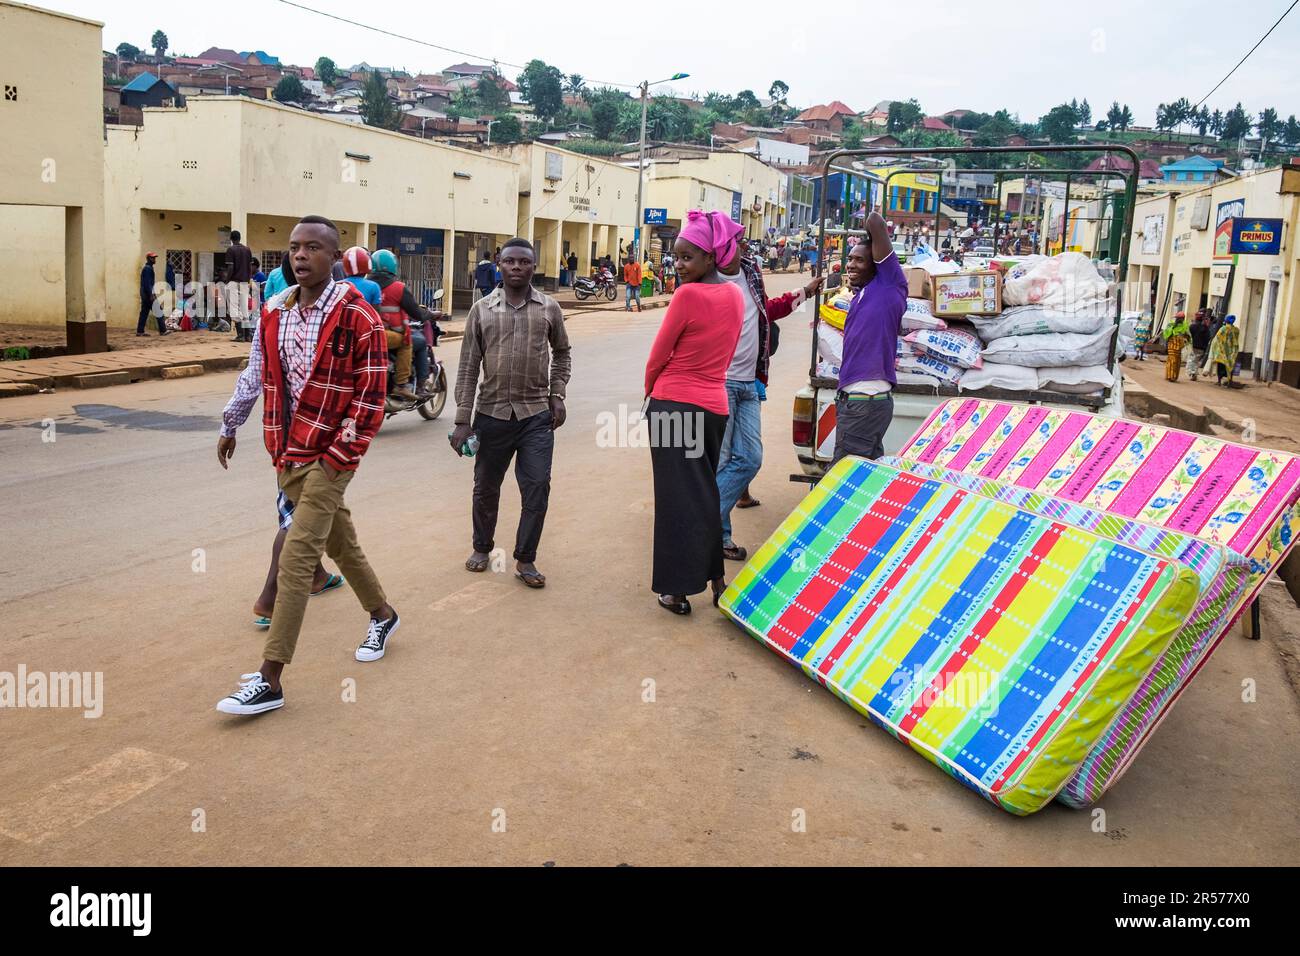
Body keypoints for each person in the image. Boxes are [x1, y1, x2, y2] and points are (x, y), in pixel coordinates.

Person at [214, 215, 399, 716]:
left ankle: (270, 678)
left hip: (333, 454)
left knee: (297, 556)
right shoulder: (274, 310)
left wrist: (342, 452)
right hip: (287, 449)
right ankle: (382, 614)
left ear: (333, 258)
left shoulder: (358, 315)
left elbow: (373, 395)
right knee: (340, 541)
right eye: (294, 248)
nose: (300, 256)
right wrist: (231, 423)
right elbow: (256, 372)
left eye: (312, 248)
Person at [450, 238, 570, 590]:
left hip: (536, 416)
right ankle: (482, 547)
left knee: (536, 488)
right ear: (499, 265)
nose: (517, 267)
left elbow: (562, 353)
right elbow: (469, 366)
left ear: (534, 266)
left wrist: (557, 393)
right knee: (486, 488)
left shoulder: (549, 308)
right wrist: (461, 419)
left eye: (524, 262)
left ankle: (525, 558)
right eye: (510, 262)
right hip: (492, 414)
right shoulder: (482, 309)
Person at [645, 210, 744, 616]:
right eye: (677, 256)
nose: (680, 265)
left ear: (710, 258)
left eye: (688, 257)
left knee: (674, 501)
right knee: (703, 493)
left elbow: (659, 354)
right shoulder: (735, 295)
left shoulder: (688, 296)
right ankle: (718, 579)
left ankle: (677, 590)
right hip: (714, 408)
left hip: (674, 405)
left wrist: (650, 391)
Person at [715, 235, 824, 561]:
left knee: (749, 458)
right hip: (719, 383)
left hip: (750, 383)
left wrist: (803, 292)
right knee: (719, 463)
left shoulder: (751, 272)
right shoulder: (708, 278)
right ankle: (717, 537)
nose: (744, 246)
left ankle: (701, 521)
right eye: (736, 241)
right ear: (720, 247)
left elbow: (767, 312)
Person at [834, 211, 906, 463]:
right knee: (864, 477)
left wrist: (869, 233)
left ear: (877, 264)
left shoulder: (890, 285)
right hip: (857, 402)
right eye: (850, 259)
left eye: (860, 260)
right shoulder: (862, 294)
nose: (851, 265)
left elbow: (875, 220)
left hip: (865, 403)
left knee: (840, 478)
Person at [365, 249, 421, 404]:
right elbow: (416, 312)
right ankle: (401, 384)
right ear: (392, 266)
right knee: (406, 343)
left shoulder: (366, 284)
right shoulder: (398, 287)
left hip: (363, 333)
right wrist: (429, 315)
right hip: (382, 334)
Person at [223, 229, 256, 342]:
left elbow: (230, 267)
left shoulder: (231, 250)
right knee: (244, 309)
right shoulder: (247, 250)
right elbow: (250, 268)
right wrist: (248, 279)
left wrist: (227, 280)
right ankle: (247, 336)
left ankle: (240, 335)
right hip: (244, 282)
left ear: (231, 239)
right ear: (240, 238)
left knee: (234, 308)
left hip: (234, 281)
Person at [1203, 313, 1241, 387]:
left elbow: (1216, 339)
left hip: (1222, 351)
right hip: (1232, 351)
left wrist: (1213, 349)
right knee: (1230, 366)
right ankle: (1229, 381)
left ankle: (1219, 381)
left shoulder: (1223, 329)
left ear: (1226, 320)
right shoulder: (1236, 330)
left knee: (1221, 366)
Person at [136, 253, 168, 336]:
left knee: (144, 312)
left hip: (145, 293)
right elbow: (147, 284)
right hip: (148, 294)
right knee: (158, 311)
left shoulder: (148, 268)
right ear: (149, 259)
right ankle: (163, 330)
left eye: (154, 258)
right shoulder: (147, 269)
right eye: (153, 258)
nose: (154, 259)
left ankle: (140, 331)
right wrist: (151, 294)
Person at [1165, 311, 1190, 383]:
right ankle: (1171, 376)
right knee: (1172, 360)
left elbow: (1188, 335)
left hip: (1178, 346)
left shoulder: (1184, 325)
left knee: (1176, 361)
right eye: (1180, 319)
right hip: (1173, 345)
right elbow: (1167, 335)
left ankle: (1172, 376)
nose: (1181, 320)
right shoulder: (1171, 325)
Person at [1189, 310, 1211, 381]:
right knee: (1197, 360)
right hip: (1202, 348)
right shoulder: (1206, 328)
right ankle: (1194, 373)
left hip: (1194, 346)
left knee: (1193, 360)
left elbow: (1190, 335)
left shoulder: (1192, 326)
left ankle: (1193, 373)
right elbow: (1208, 337)